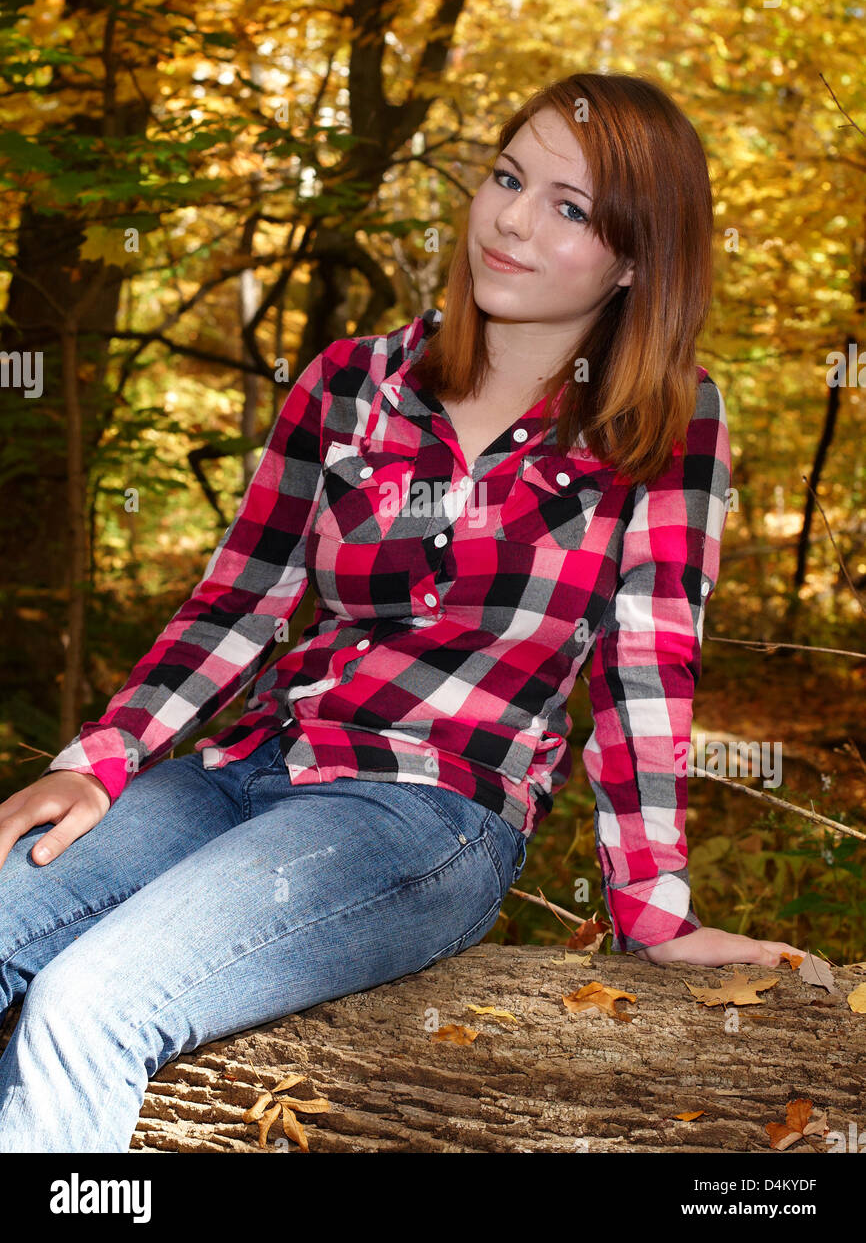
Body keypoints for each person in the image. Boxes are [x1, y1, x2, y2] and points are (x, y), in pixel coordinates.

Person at [0, 71, 804, 1153]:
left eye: (567, 208)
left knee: (85, 1008)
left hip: (425, 814)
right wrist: (98, 755)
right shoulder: (349, 382)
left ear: (631, 259)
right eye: (507, 178)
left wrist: (652, 913)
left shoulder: (662, 419)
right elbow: (239, 597)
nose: (512, 220)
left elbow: (642, 672)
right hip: (249, 767)